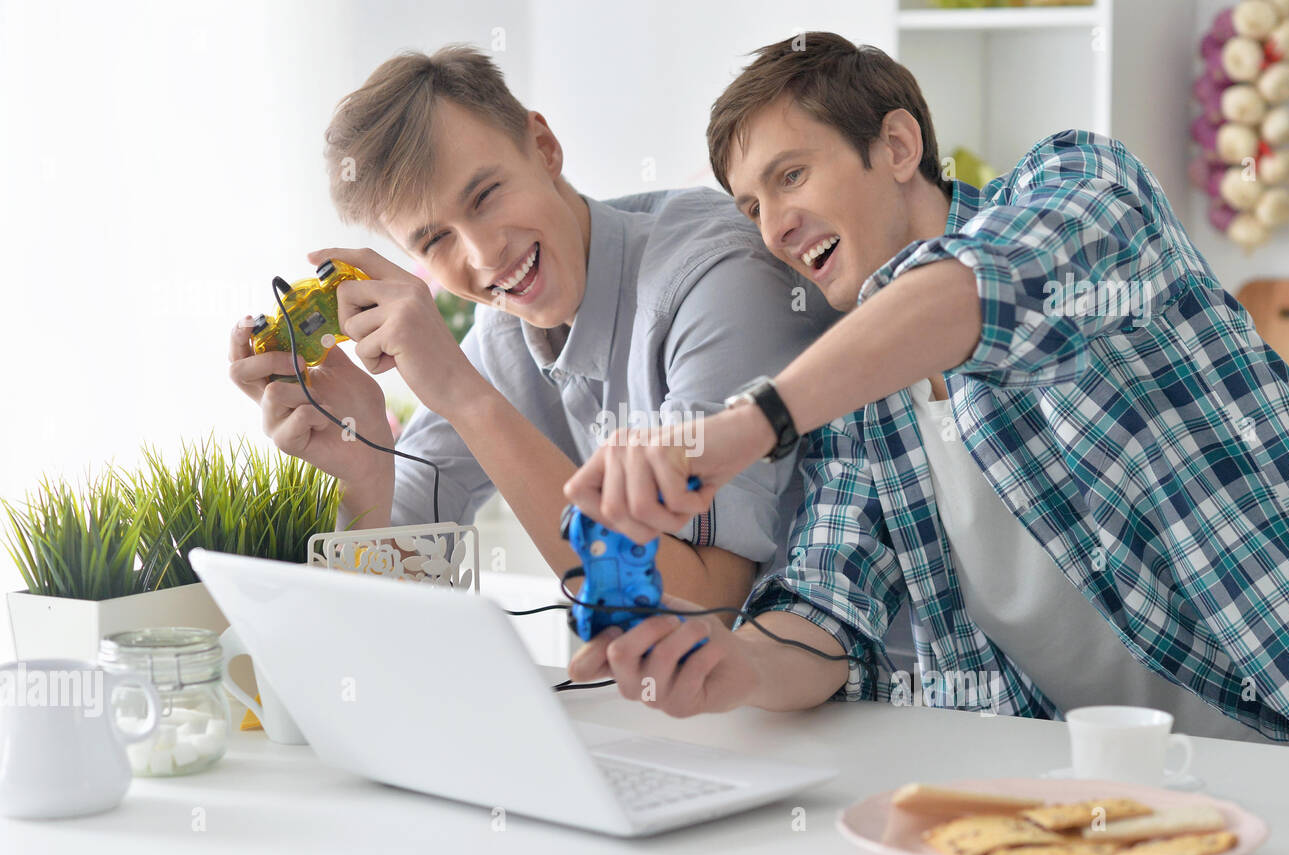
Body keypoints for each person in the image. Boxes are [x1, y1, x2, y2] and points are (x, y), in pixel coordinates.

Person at [565, 33, 1289, 744]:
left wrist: (748, 425)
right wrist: (729, 658)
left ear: (897, 146)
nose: (774, 230)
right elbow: (826, 608)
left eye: (790, 176)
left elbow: (981, 290)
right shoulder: (854, 400)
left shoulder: (1085, 185)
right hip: (1106, 787)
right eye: (751, 208)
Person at [227, 45, 837, 611]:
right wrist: (364, 467)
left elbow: (706, 613)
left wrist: (467, 399)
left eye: (486, 195)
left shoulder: (719, 281)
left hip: (866, 708)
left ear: (543, 147)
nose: (485, 256)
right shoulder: (502, 338)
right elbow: (393, 598)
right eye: (436, 239)